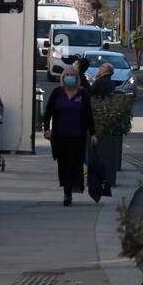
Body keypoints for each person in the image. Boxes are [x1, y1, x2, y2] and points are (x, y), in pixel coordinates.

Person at [43, 66, 96, 206]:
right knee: (63, 164)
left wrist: (93, 133)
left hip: (77, 135)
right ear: (63, 78)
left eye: (72, 75)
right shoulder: (57, 93)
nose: (69, 77)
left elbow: (89, 115)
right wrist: (47, 129)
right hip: (60, 135)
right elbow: (48, 112)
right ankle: (67, 192)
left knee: (76, 163)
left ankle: (74, 186)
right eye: (67, 75)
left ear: (77, 78)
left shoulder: (82, 94)